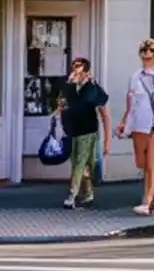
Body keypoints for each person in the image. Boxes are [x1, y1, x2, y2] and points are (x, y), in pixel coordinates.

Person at [117, 38, 154, 215]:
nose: (146, 54)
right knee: (142, 163)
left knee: (152, 164)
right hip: (137, 124)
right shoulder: (135, 76)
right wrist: (124, 121)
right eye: (143, 51)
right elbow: (131, 102)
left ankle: (148, 200)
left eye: (149, 51)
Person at [57, 58, 109, 209]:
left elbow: (104, 114)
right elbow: (61, 105)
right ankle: (87, 193)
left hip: (88, 131)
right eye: (73, 67)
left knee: (81, 164)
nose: (75, 70)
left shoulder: (93, 89)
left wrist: (107, 141)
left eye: (78, 67)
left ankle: (72, 195)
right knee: (79, 163)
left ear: (86, 71)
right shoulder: (70, 88)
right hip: (73, 131)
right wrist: (68, 86)